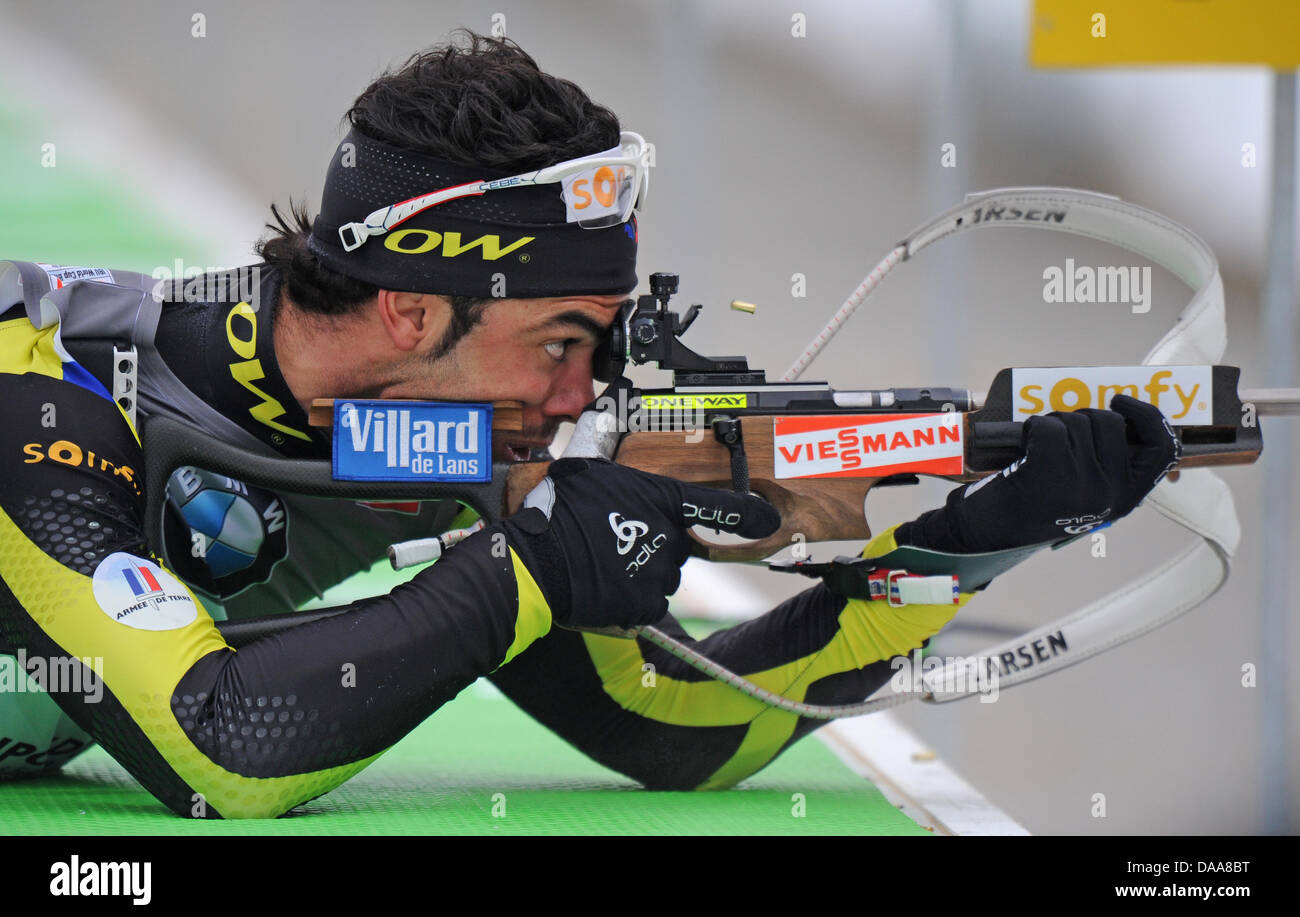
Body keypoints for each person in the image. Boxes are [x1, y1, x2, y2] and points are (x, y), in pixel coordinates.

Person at [0, 32, 1177, 817]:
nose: (579, 397)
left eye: (604, 347)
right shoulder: (41, 390)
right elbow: (219, 752)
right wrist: (543, 566)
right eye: (563, 342)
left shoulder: (466, 443)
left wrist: (963, 544)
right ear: (411, 308)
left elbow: (670, 726)